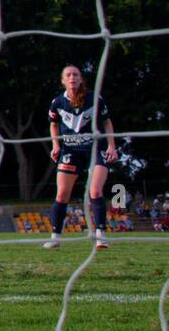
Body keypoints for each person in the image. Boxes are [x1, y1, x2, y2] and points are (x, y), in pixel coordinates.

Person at [42, 65, 117, 251]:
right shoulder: (57, 102)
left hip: (94, 150)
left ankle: (100, 236)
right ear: (63, 81)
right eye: (68, 75)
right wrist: (56, 145)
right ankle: (55, 237)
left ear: (81, 79)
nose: (72, 77)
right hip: (70, 152)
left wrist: (112, 146)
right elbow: (53, 124)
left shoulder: (94, 98)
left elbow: (107, 122)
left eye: (75, 74)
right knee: (61, 194)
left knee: (95, 191)